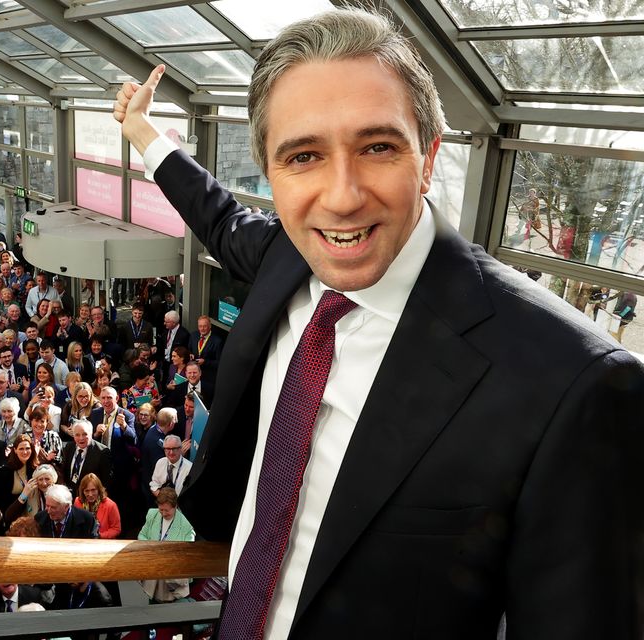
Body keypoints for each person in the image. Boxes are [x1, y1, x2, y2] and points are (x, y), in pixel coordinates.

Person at [114, 7, 644, 639]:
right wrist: (143, 131)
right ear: (271, 174)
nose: (342, 196)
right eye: (303, 156)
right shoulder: (288, 253)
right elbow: (216, 214)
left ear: (428, 157)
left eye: (377, 147)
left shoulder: (571, 382)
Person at [137, 488, 195, 603]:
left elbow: (188, 556)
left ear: (175, 506)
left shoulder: (186, 528)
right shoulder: (152, 515)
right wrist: (153, 548)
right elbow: (141, 536)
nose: (163, 513)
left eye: (167, 510)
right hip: (153, 577)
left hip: (171, 583)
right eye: (161, 509)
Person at [73, 473, 121, 539]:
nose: (90, 494)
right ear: (82, 491)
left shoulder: (110, 505)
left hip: (104, 543)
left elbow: (116, 529)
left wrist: (99, 536)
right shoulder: (78, 502)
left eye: (93, 490)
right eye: (87, 491)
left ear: (99, 490)